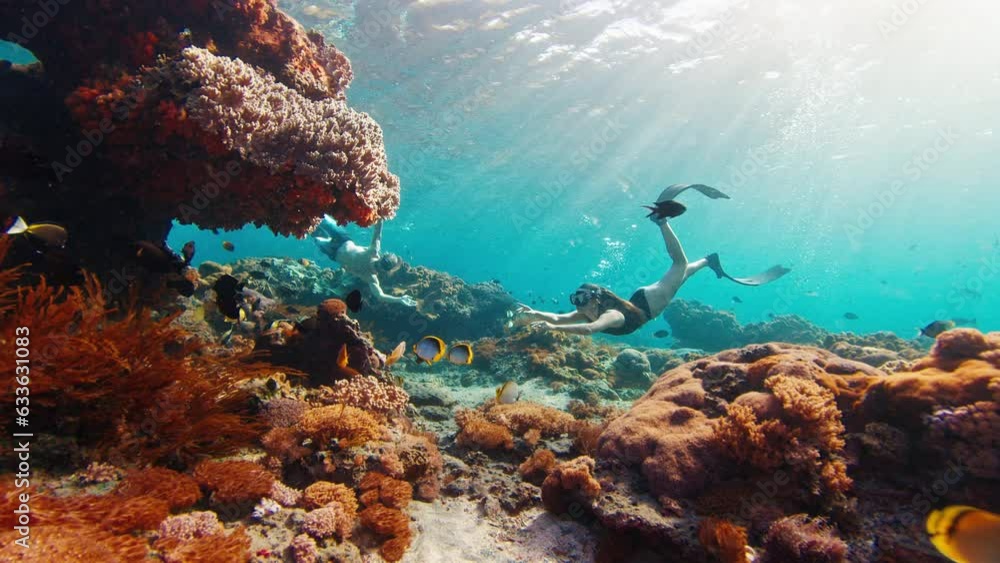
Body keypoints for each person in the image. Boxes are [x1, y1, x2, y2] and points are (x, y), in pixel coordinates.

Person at [516, 184, 790, 336]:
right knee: (680, 277)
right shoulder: (587, 310)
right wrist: (534, 314)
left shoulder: (608, 315)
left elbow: (589, 330)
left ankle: (662, 224)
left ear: (596, 299)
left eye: (581, 300)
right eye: (575, 300)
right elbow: (556, 316)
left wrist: (551, 328)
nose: (577, 305)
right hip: (641, 298)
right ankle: (708, 261)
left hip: (649, 302)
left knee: (678, 266)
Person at [312, 215, 417, 307]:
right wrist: (380, 213)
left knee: (314, 233)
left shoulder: (370, 277)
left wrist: (399, 300)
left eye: (384, 266)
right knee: (321, 217)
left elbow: (380, 295)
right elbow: (378, 231)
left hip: (333, 252)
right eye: (382, 262)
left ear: (385, 271)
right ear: (381, 257)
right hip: (343, 239)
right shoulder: (373, 252)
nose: (379, 266)